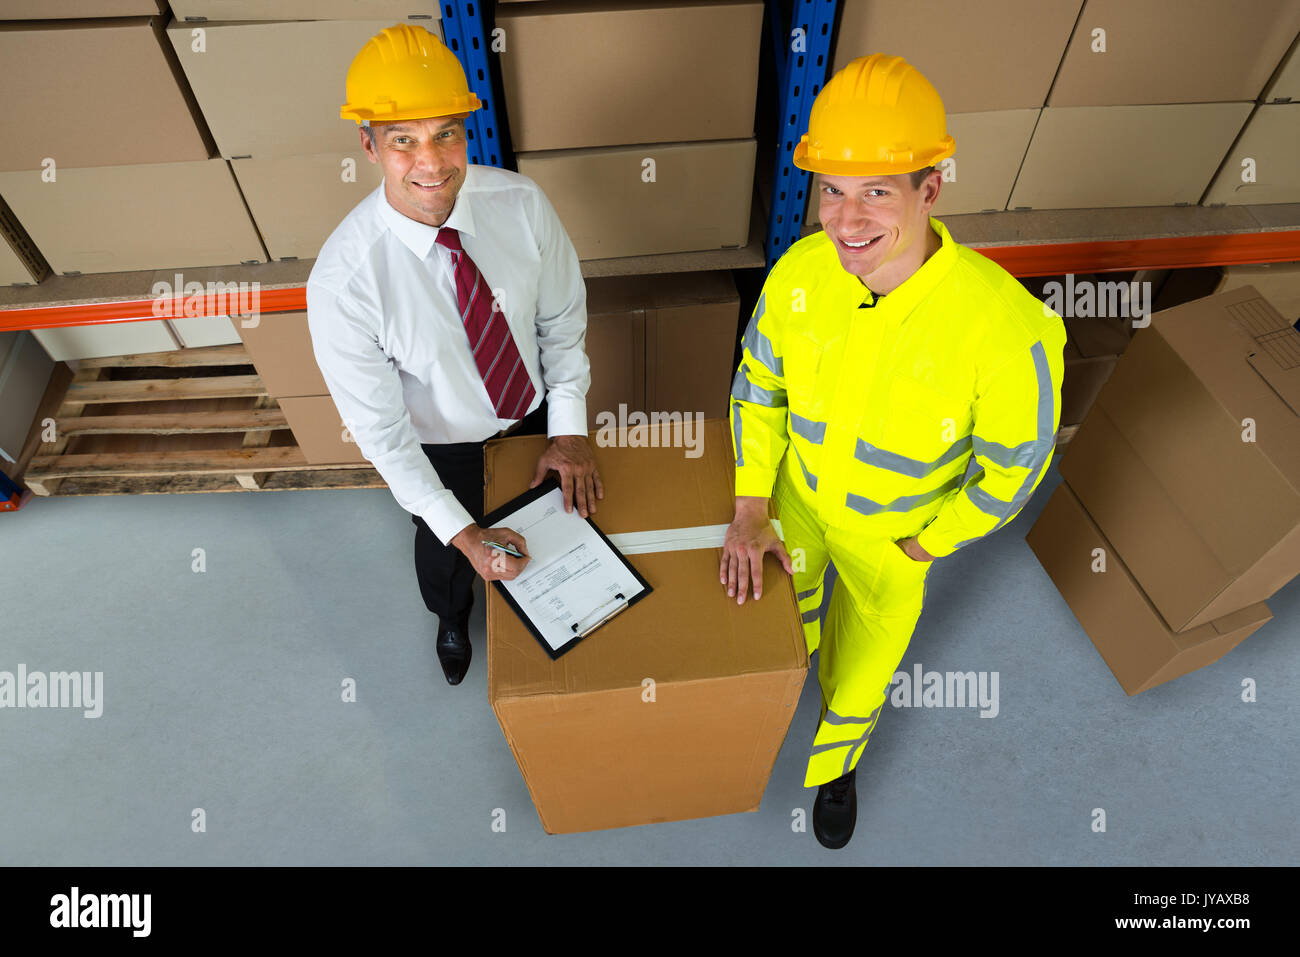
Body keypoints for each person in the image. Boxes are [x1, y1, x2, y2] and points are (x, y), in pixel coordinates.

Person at [721, 54, 1066, 849]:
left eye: (877, 190)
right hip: (798, 508)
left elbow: (1015, 469)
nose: (846, 220)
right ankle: (775, 703)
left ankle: (835, 769)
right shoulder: (802, 273)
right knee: (780, 630)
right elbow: (757, 389)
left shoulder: (1005, 330)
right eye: (832, 190)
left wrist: (927, 544)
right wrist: (750, 504)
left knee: (862, 674)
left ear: (931, 189)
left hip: (893, 544)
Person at [307, 24, 602, 686]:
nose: (432, 162)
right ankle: (450, 613)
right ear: (368, 144)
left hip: (531, 415)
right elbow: (383, 437)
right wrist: (466, 536)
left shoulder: (519, 206)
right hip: (441, 447)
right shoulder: (344, 283)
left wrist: (569, 429)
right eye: (403, 140)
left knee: (552, 526)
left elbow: (560, 320)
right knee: (446, 555)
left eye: (446, 133)